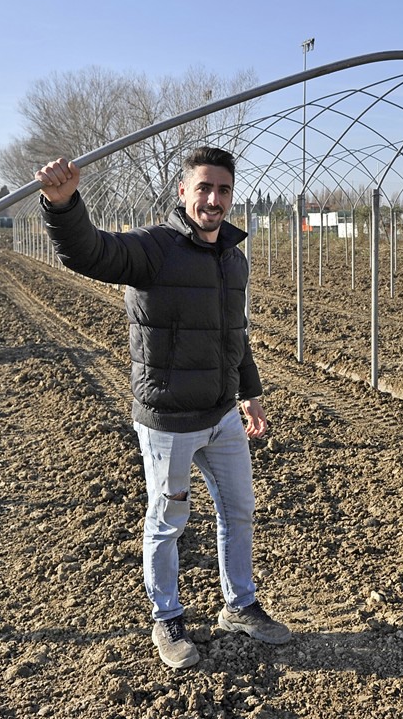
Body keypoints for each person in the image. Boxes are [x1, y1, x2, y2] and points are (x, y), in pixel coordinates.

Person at [35, 146, 290, 669]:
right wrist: (63, 206)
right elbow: (91, 254)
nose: (213, 199)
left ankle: (240, 606)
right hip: (169, 420)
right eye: (203, 188)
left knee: (239, 511)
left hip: (221, 417)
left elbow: (233, 335)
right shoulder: (155, 248)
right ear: (183, 192)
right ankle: (166, 617)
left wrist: (250, 392)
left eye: (222, 189)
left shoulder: (233, 257)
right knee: (168, 520)